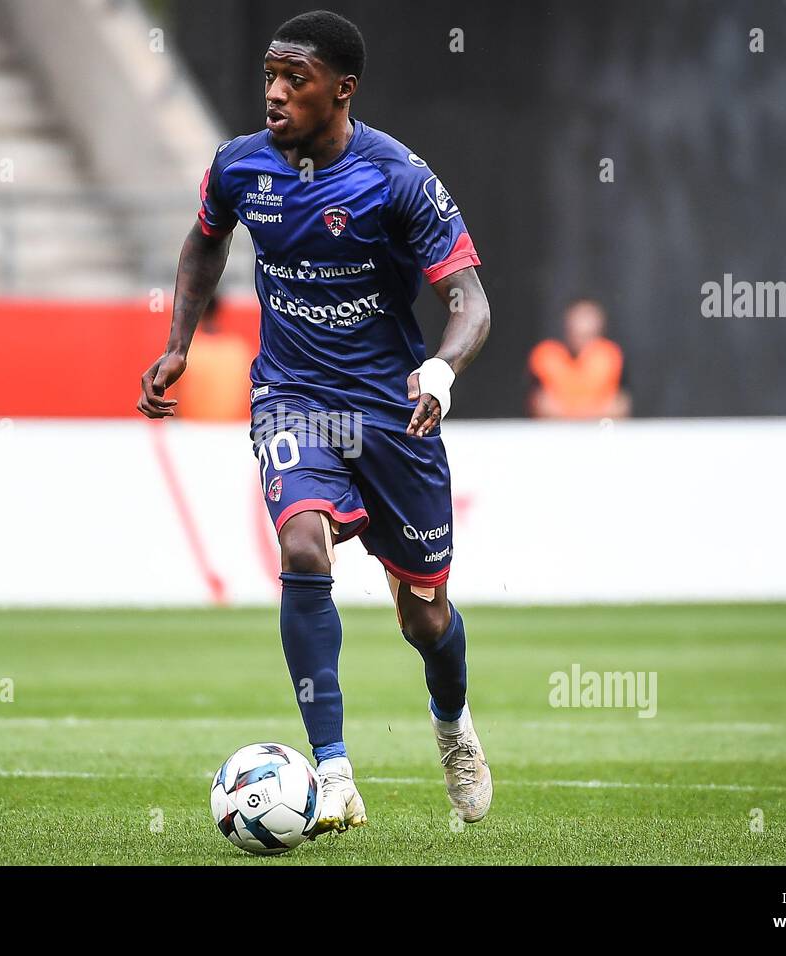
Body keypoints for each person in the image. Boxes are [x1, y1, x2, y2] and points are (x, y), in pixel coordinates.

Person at [136, 10, 493, 837]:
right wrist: (178, 345)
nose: (273, 93)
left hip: (392, 414)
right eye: (268, 74)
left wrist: (440, 368)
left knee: (425, 618)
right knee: (301, 540)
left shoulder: (396, 177)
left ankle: (453, 727)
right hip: (292, 396)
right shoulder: (239, 166)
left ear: (342, 88)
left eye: (294, 79)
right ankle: (332, 772)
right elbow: (202, 245)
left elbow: (470, 299)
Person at [528, 298, 631, 419]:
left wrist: (572, 413)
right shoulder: (547, 356)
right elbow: (541, 405)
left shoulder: (611, 357)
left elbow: (619, 406)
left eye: (587, 333)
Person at [174, 297, 257, 421]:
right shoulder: (239, 350)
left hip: (192, 431)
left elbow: (177, 403)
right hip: (231, 431)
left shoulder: (186, 351)